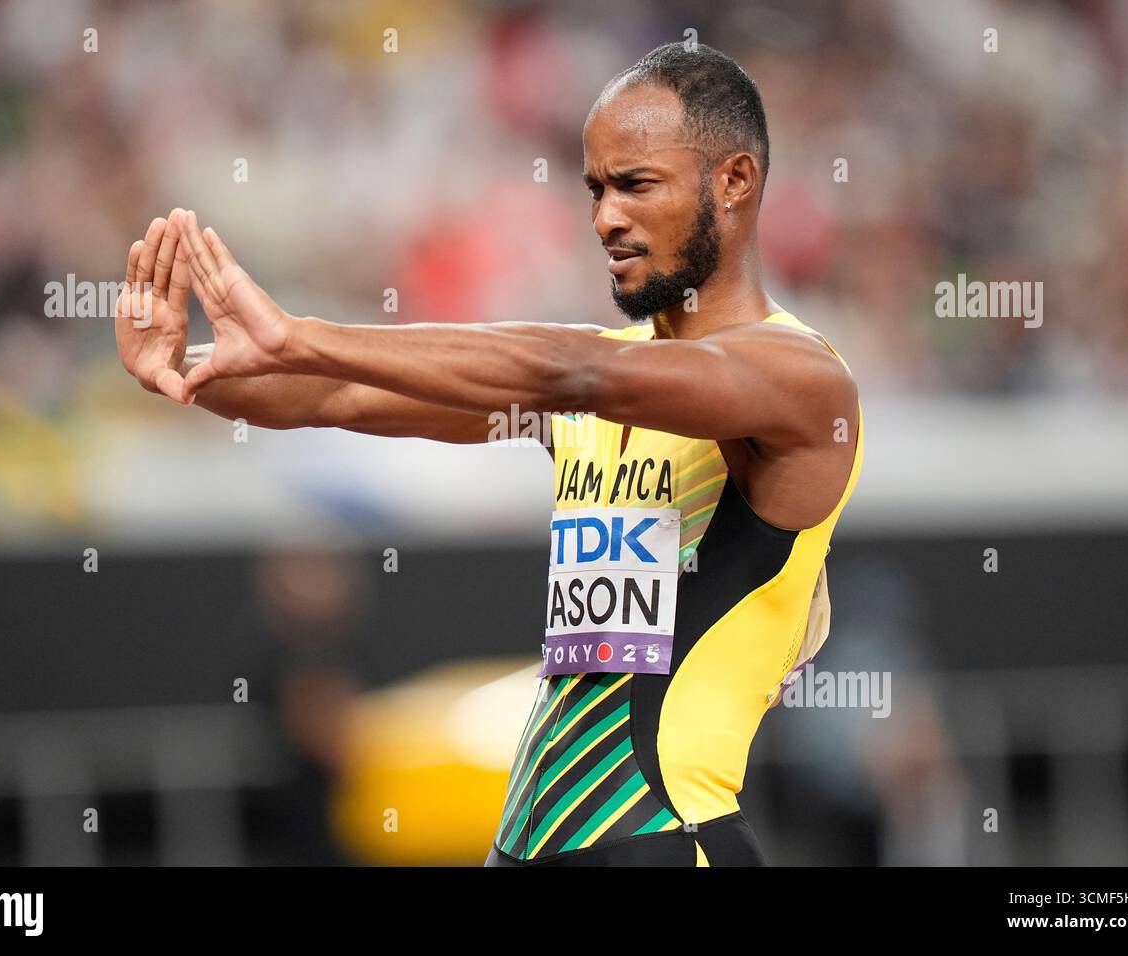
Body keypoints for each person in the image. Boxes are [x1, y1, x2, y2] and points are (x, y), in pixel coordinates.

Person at [115, 42, 862, 866]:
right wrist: (184, 374)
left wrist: (303, 334)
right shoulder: (594, 388)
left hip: (665, 839)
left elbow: (580, 370)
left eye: (636, 184)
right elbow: (337, 399)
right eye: (595, 188)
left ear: (735, 181)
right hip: (523, 847)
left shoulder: (803, 381)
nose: (605, 218)